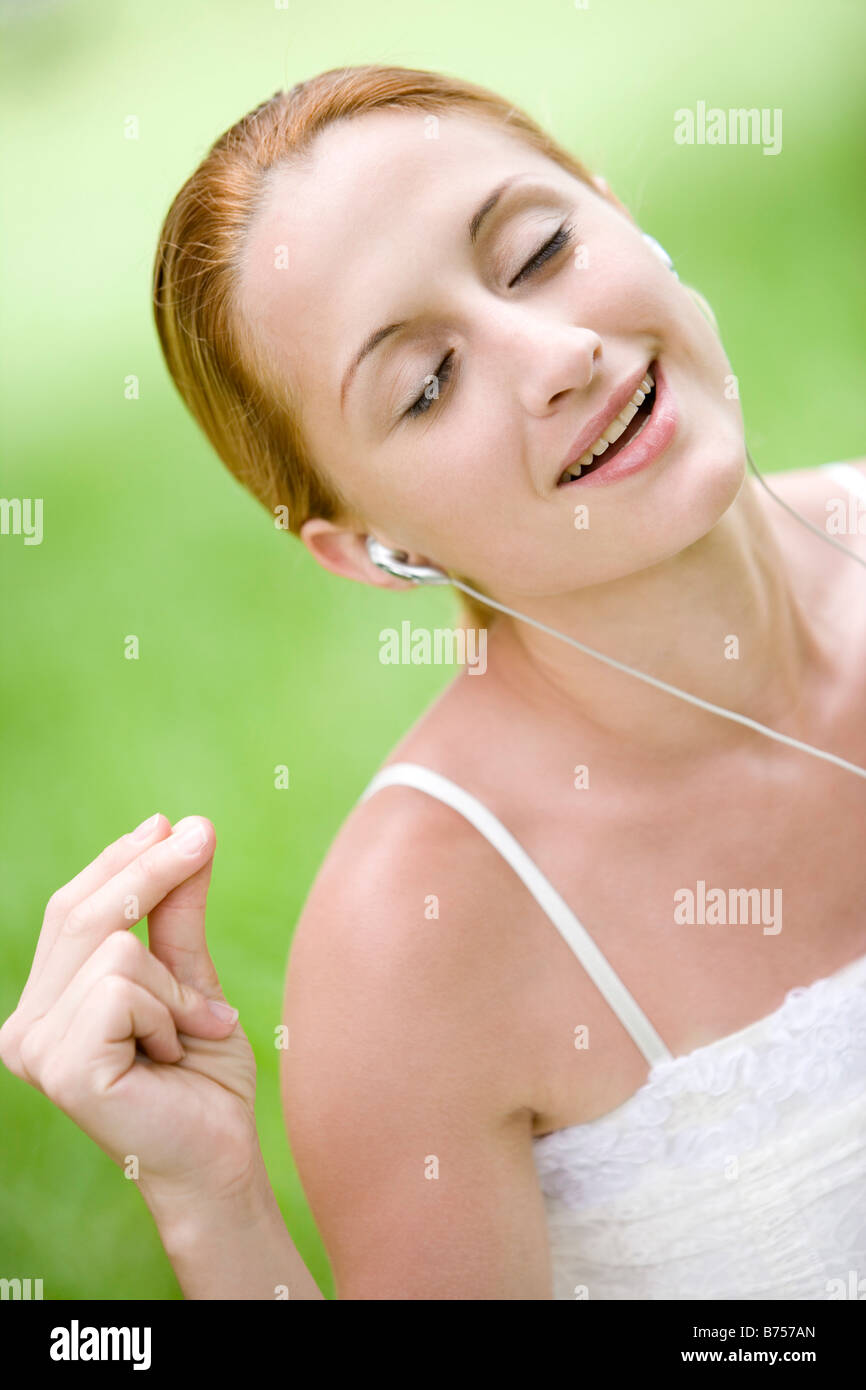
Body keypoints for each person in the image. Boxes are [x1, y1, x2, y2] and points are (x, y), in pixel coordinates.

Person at [3, 65, 865, 1301]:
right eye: (425, 384)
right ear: (366, 550)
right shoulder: (414, 948)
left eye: (538, 249)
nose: (556, 353)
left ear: (622, 213)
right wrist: (214, 1204)